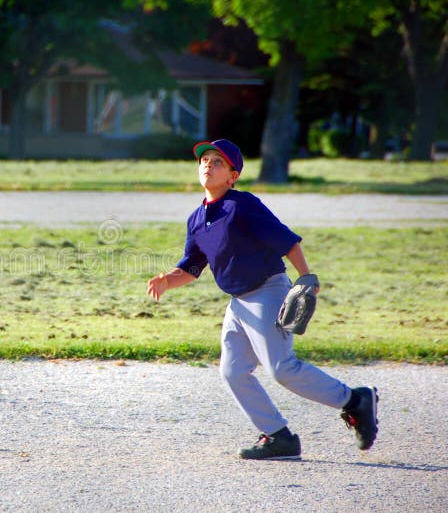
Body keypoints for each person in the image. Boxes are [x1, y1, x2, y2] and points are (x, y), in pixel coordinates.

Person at [146, 138, 378, 460]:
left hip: (267, 291)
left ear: (232, 175)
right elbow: (192, 266)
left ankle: (354, 401)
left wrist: (306, 276)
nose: (208, 165)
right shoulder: (197, 219)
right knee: (233, 371)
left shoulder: (242, 205)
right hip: (238, 303)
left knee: (282, 367)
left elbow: (286, 240)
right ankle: (278, 436)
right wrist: (167, 281)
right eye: (204, 161)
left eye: (217, 162)